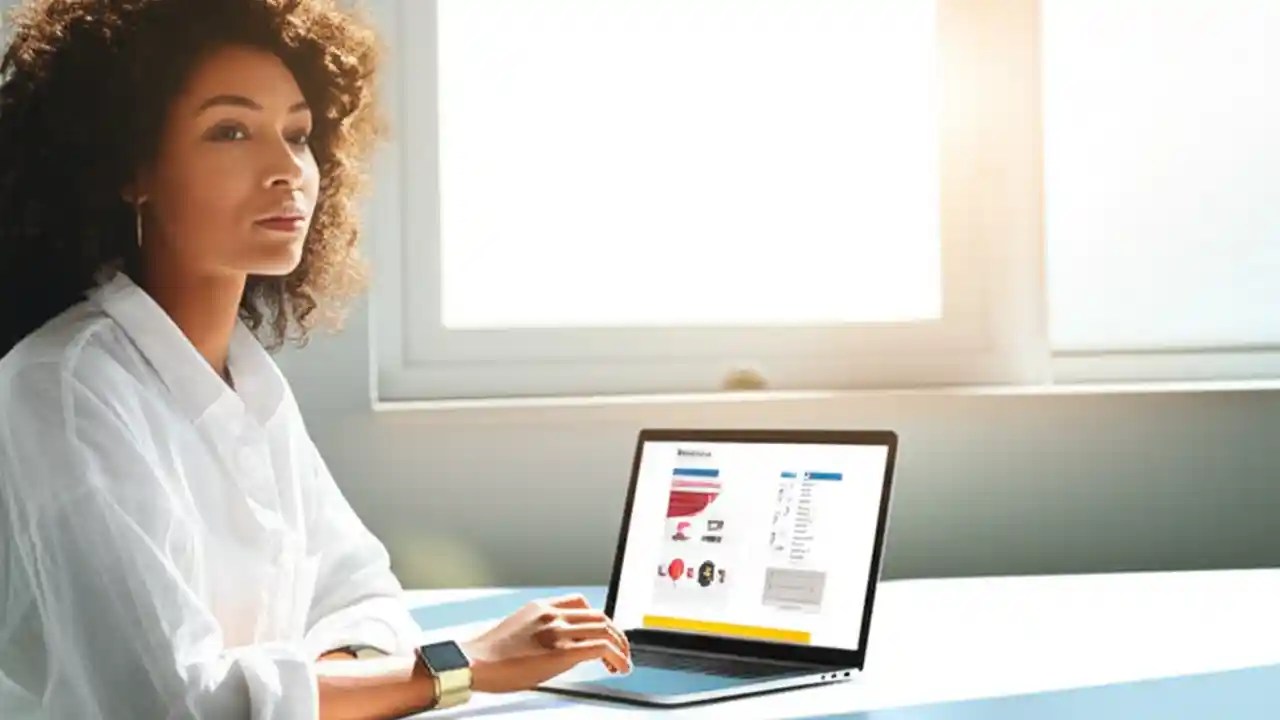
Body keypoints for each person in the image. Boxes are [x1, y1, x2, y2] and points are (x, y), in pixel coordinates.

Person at [0, 1, 631, 718]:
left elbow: (361, 594)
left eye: (298, 134)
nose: (286, 169)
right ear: (130, 166)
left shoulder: (245, 381)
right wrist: (464, 665)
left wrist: (324, 684)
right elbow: (172, 700)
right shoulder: (65, 388)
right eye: (230, 130)